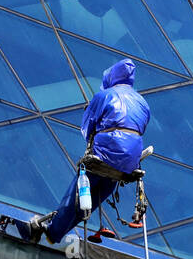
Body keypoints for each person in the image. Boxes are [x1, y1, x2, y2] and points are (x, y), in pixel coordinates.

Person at [20, 59, 151, 245]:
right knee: (100, 192)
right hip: (128, 161)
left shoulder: (104, 96)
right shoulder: (143, 102)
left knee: (77, 195)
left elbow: (87, 128)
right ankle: (56, 231)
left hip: (106, 152)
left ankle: (53, 232)